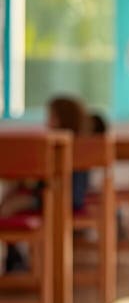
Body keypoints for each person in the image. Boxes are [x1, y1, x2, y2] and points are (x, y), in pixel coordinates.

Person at [1, 95, 90, 272]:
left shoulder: (68, 145)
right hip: (48, 194)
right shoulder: (54, 144)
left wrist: (31, 193)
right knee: (11, 195)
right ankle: (14, 255)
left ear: (62, 119)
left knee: (11, 202)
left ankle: (14, 255)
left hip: (61, 198)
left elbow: (70, 192)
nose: (47, 122)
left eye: (51, 117)